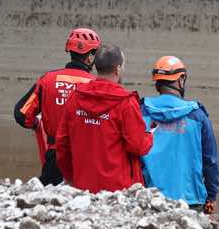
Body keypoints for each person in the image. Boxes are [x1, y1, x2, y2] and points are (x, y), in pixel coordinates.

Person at [54, 44, 153, 193]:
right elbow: (138, 146)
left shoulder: (76, 97)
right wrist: (150, 135)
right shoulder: (126, 102)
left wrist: (70, 176)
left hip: (83, 187)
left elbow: (62, 143)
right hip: (119, 190)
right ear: (118, 69)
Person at [13, 27, 100, 183]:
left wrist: (36, 123)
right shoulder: (96, 85)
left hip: (56, 157)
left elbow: (22, 114)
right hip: (86, 159)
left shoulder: (48, 80)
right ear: (90, 57)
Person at [140, 55, 219, 213]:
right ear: (181, 79)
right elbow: (210, 161)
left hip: (150, 199)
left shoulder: (139, 111)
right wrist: (211, 196)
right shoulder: (197, 116)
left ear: (157, 83)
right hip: (190, 201)